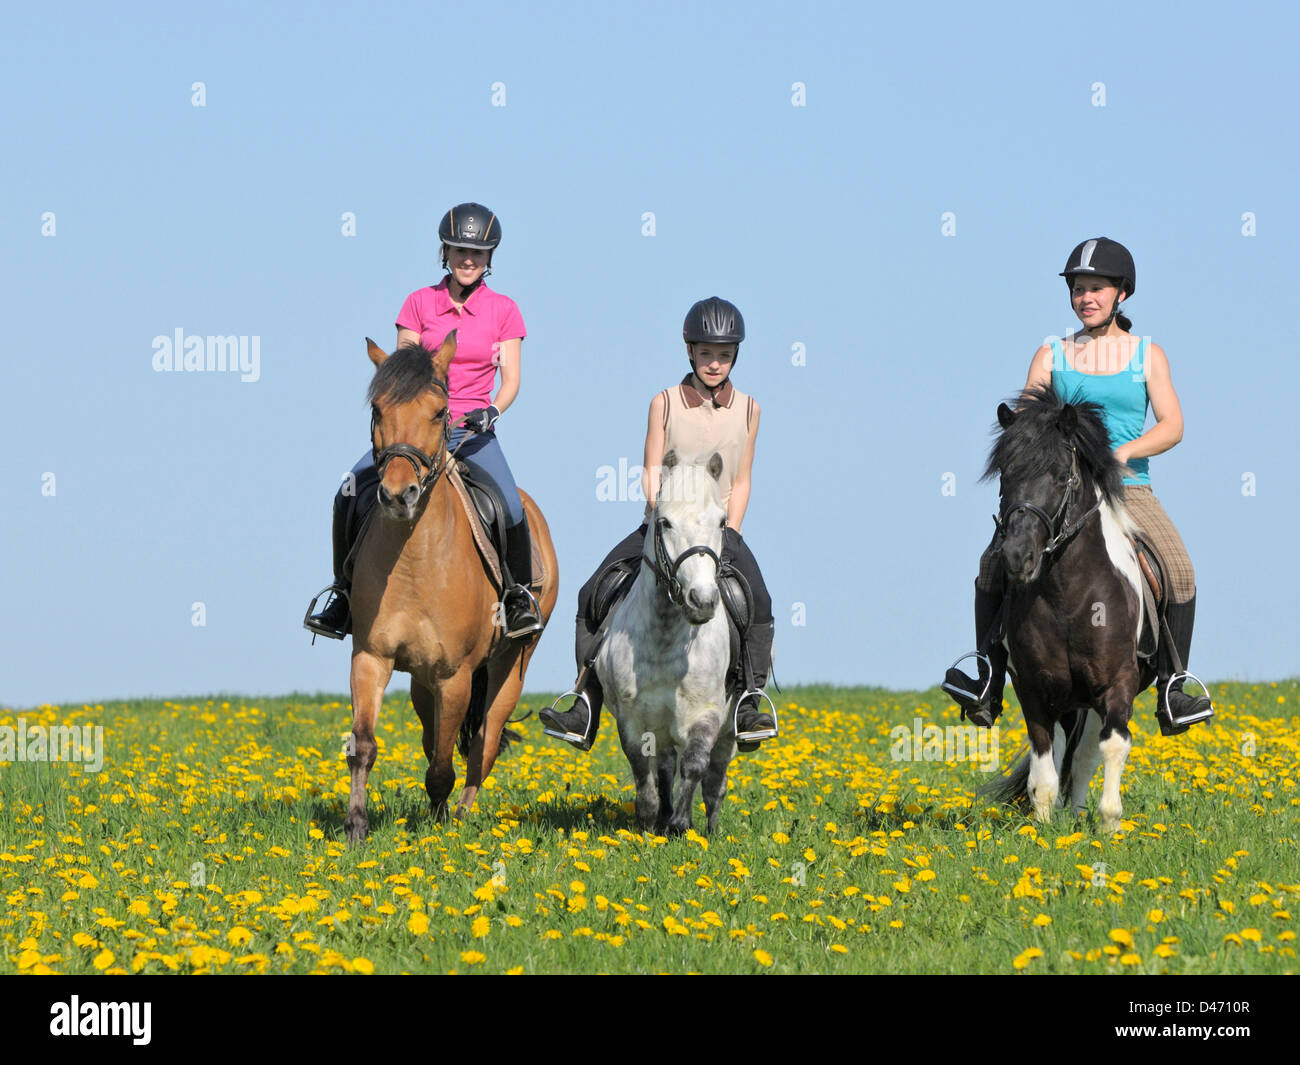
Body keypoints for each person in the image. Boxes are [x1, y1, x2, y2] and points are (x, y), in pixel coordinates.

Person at [943, 237, 1214, 737]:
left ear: (1121, 295)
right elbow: (1027, 417)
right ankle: (988, 674)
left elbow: (1173, 424)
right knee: (992, 562)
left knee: (1180, 568)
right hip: (1061, 493)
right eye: (1078, 289)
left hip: (1128, 488)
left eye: (1096, 288)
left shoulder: (1147, 355)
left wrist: (1123, 452)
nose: (1086, 298)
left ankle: (1174, 685)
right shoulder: (1052, 354)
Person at [539, 297, 777, 752]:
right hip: (664, 525)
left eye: (724, 354)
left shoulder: (750, 410)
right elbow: (651, 468)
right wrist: (661, 512)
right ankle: (584, 700)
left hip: (717, 528)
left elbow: (742, 479)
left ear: (736, 357)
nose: (714, 363)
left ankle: (749, 697)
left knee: (758, 601)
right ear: (689, 351)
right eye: (706, 353)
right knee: (594, 590)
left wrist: (733, 529)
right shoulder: (664, 402)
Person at [305, 202, 542, 641]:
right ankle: (342, 593)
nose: (467, 259)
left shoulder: (504, 311)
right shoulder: (419, 303)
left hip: (472, 433)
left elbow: (511, 379)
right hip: (416, 431)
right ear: (444, 252)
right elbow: (402, 373)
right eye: (458, 250)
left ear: (490, 258)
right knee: (348, 491)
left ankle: (516, 597)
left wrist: (494, 409)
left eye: (477, 252)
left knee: (509, 504)